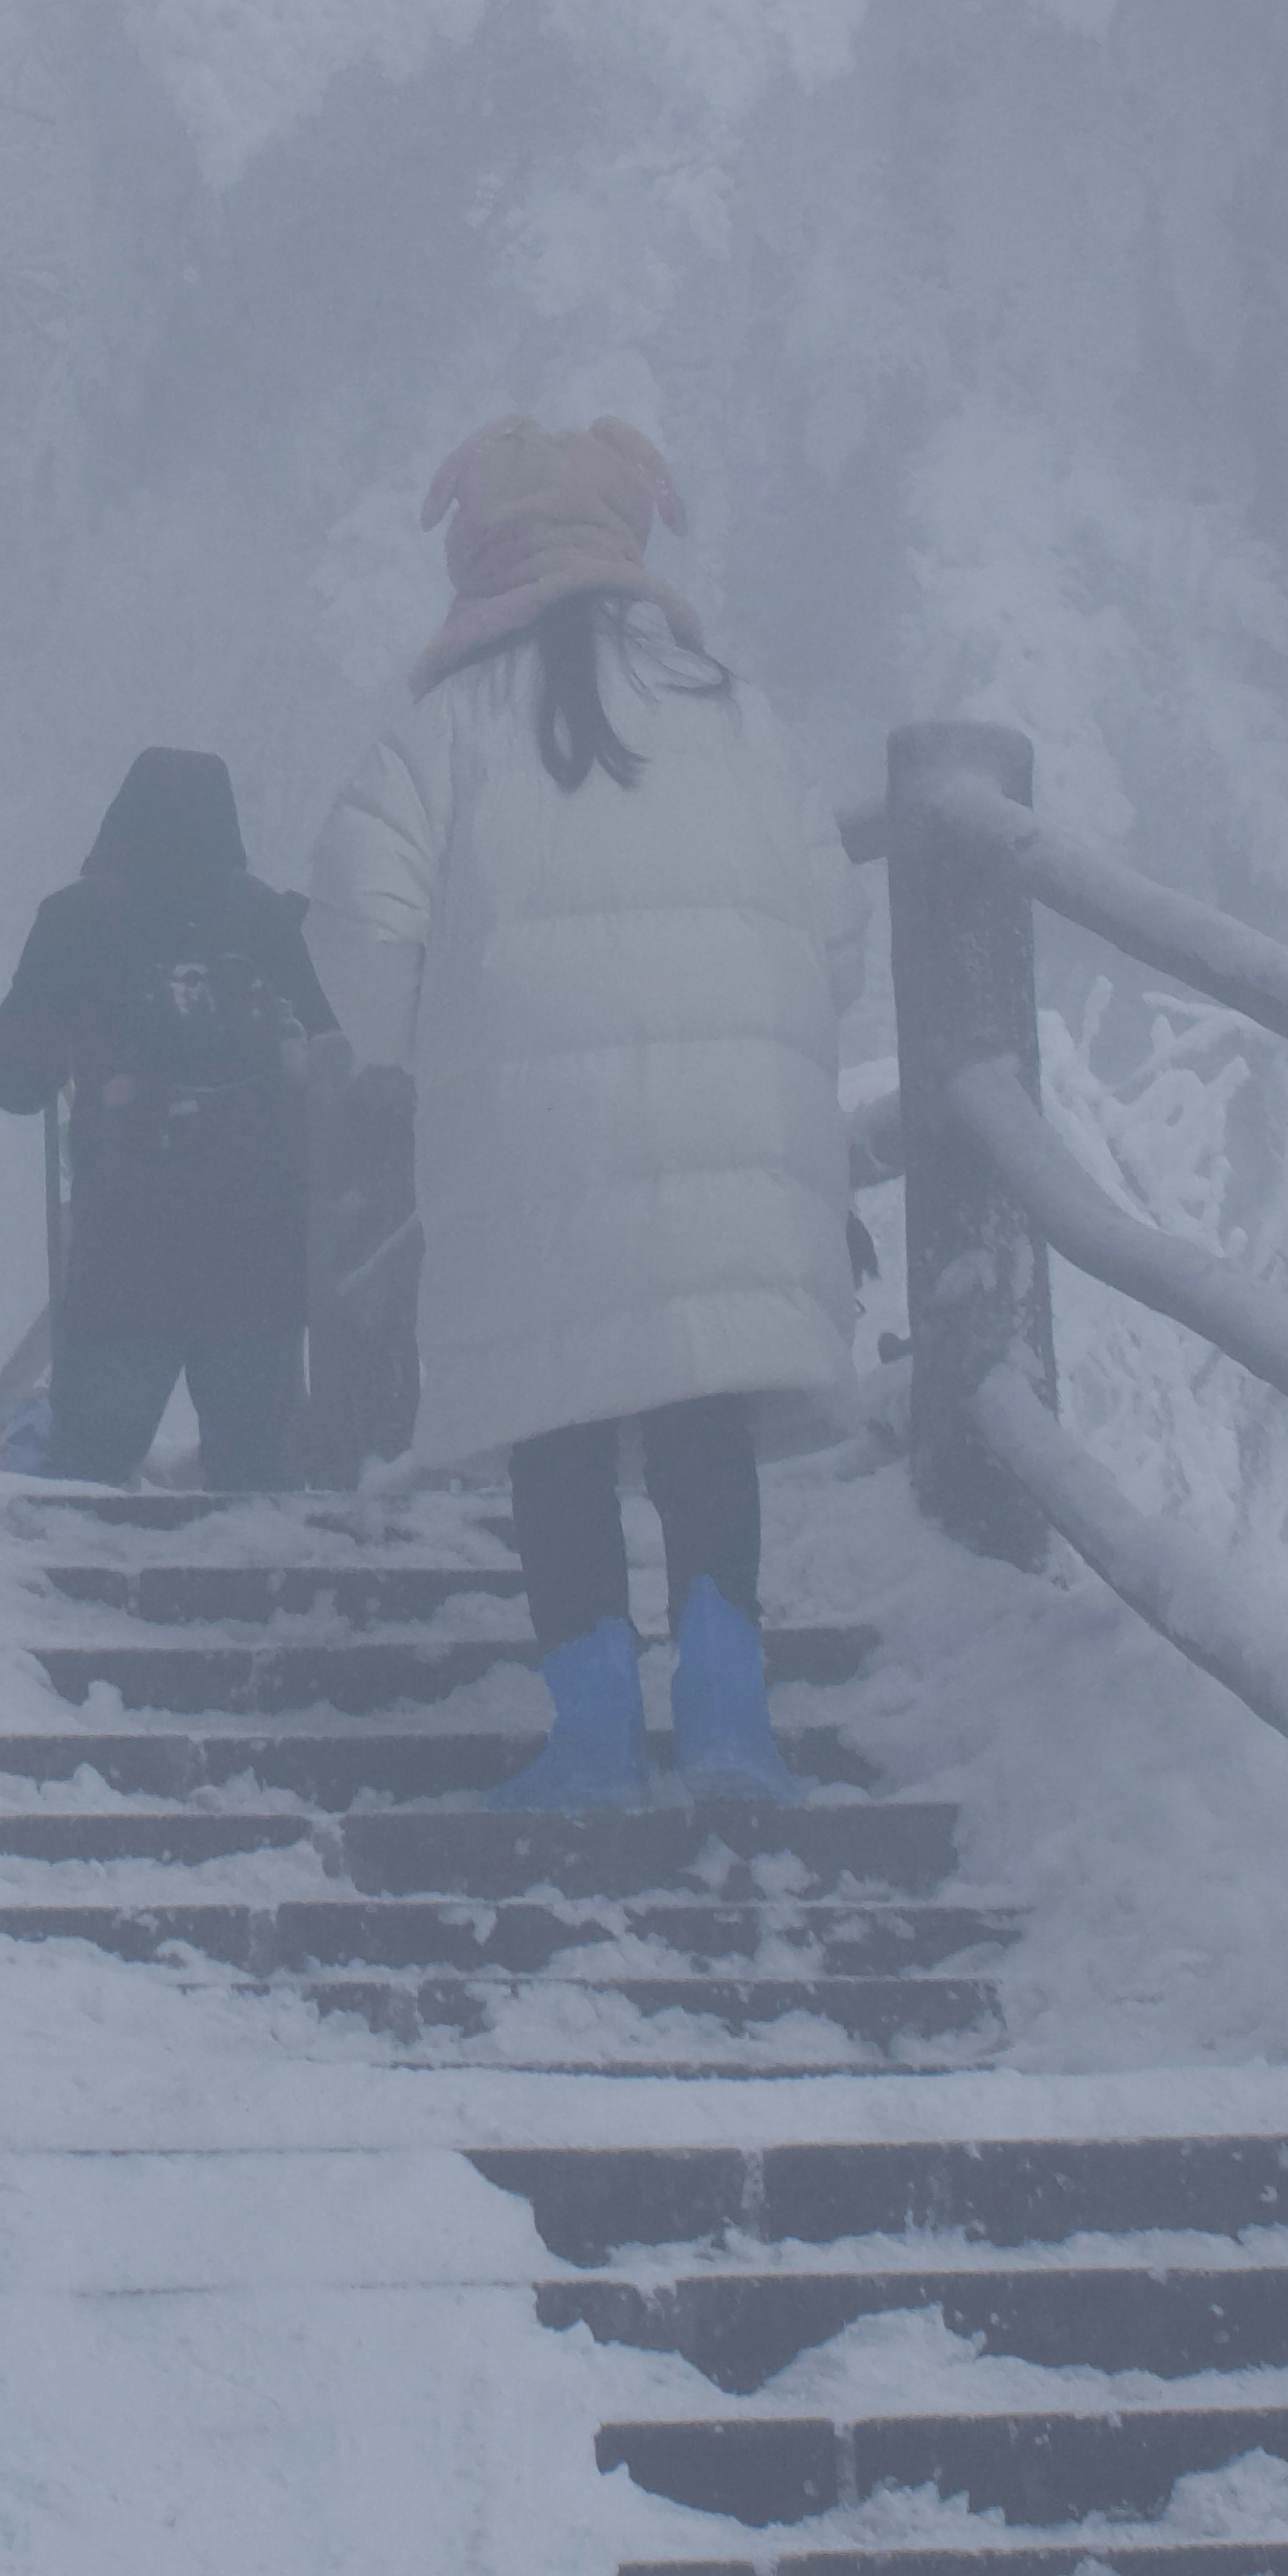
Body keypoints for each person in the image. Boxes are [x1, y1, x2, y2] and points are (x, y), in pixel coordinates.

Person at [311, 419, 863, 1807]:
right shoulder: (736, 714)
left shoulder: (438, 735)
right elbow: (834, 923)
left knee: (556, 1428)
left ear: (477, 557)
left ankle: (597, 1732)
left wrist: (416, 1048)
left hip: (531, 1142)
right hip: (722, 1126)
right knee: (698, 1420)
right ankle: (732, 1721)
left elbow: (362, 930)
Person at [0, 750, 336, 1494]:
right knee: (256, 1475)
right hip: (256, 1244)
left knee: (88, 1472)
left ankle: (80, 1605)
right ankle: (275, 1603)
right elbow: (332, 1061)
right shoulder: (265, 917)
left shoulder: (76, 918)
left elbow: (11, 1079)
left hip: (126, 1244)